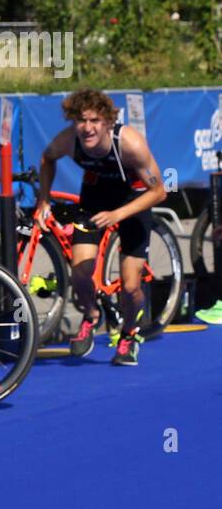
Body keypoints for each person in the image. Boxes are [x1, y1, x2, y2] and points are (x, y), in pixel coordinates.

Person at [37, 88, 167, 365]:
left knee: (131, 286)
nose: (87, 128)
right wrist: (43, 200)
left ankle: (129, 335)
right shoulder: (68, 140)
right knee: (80, 272)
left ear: (108, 122)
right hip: (95, 198)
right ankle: (91, 315)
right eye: (81, 121)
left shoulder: (129, 143)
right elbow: (47, 159)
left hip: (132, 201)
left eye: (95, 121)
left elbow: (159, 192)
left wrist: (118, 214)